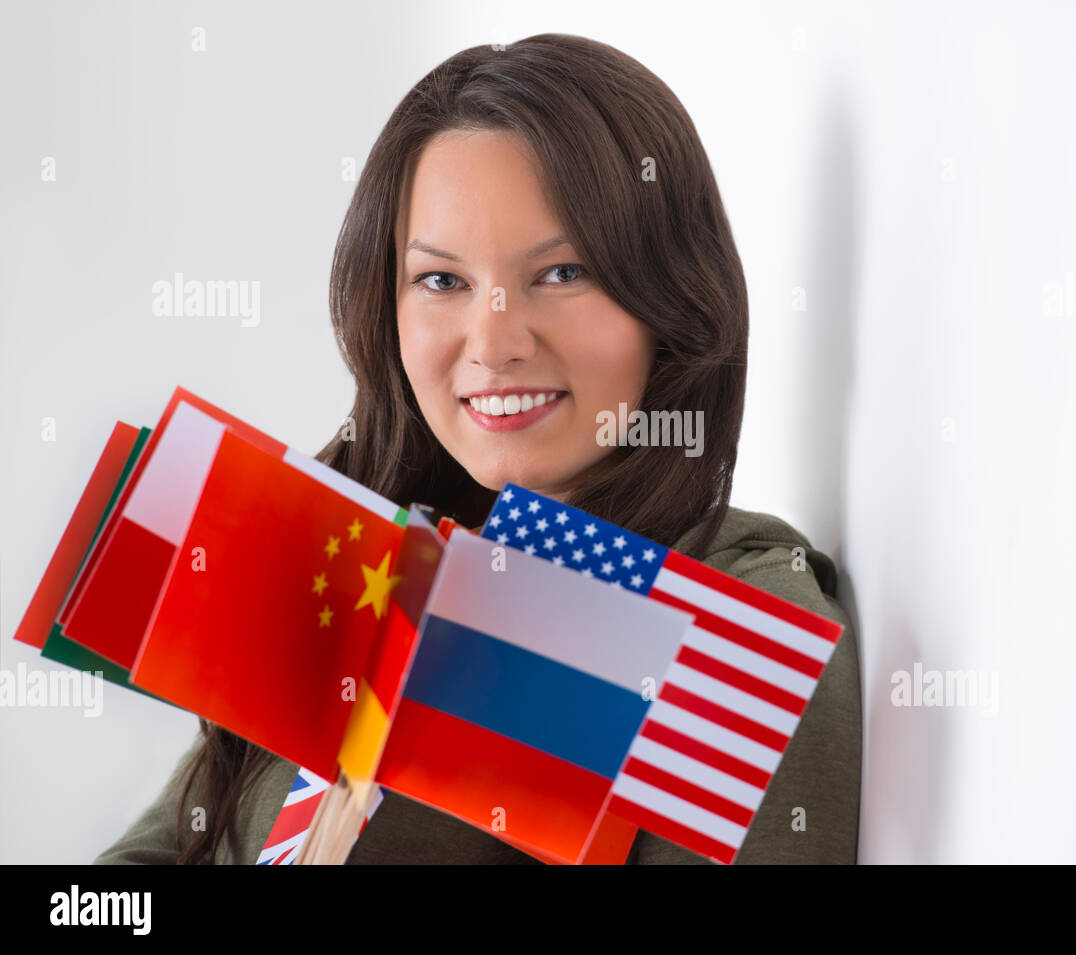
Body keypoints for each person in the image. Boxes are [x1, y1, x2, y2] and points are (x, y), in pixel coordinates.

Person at [93, 32, 862, 865]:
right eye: (441, 280)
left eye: (563, 272)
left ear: (672, 297)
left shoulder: (740, 623)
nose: (493, 343)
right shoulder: (363, 562)